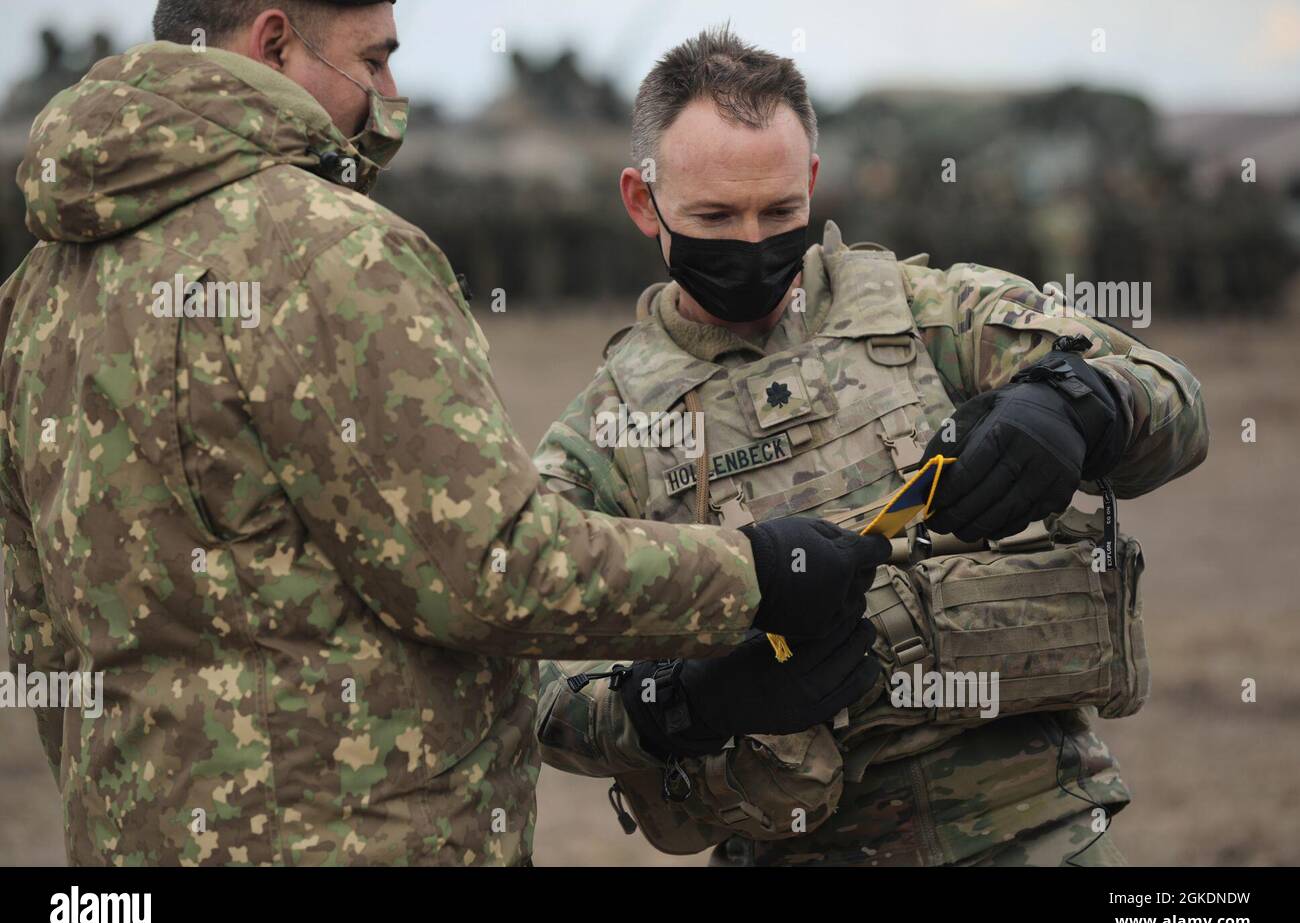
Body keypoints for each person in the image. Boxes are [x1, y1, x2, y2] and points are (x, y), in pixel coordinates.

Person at [0, 3, 883, 866]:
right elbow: (491, 566)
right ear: (275, 40)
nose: (390, 92)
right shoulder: (337, 254)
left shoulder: (37, 291)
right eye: (374, 60)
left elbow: (41, 625)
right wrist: (759, 572)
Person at [534, 26, 1209, 866]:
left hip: (1040, 831)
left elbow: (1177, 398)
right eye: (714, 216)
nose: (752, 243)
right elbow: (527, 682)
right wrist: (692, 702)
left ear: (812, 182)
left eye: (779, 212)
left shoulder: (929, 316)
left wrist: (1077, 406)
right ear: (643, 201)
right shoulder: (608, 432)